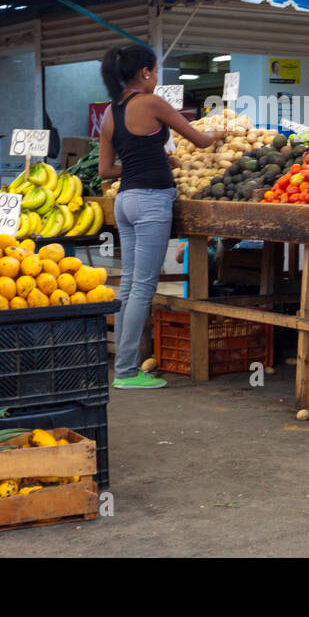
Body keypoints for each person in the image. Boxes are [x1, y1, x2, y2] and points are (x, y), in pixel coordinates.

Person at [99, 44, 219, 389]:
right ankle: (125, 372)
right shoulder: (150, 102)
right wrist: (219, 134)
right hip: (151, 200)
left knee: (130, 285)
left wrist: (149, 162)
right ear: (145, 73)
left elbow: (107, 170)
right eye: (155, 71)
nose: (156, 77)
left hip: (125, 201)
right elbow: (198, 140)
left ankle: (123, 367)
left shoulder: (111, 112)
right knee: (142, 289)